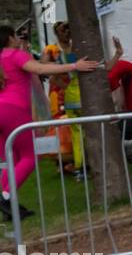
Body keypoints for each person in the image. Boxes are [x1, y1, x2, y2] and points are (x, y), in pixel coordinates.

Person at [1, 25, 101, 218]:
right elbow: (40, 68)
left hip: (1, 109)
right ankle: (5, 196)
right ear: (11, 38)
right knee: (30, 155)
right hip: (15, 109)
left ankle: (9, 205)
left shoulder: (4, 57)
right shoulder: (15, 55)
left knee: (11, 158)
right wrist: (74, 66)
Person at [42, 20, 83, 176]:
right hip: (58, 90)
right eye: (62, 31)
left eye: (67, 30)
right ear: (56, 33)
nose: (65, 33)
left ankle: (76, 160)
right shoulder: (51, 49)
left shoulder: (75, 46)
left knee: (75, 125)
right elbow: (43, 65)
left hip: (75, 89)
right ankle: (61, 161)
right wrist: (55, 72)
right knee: (61, 124)